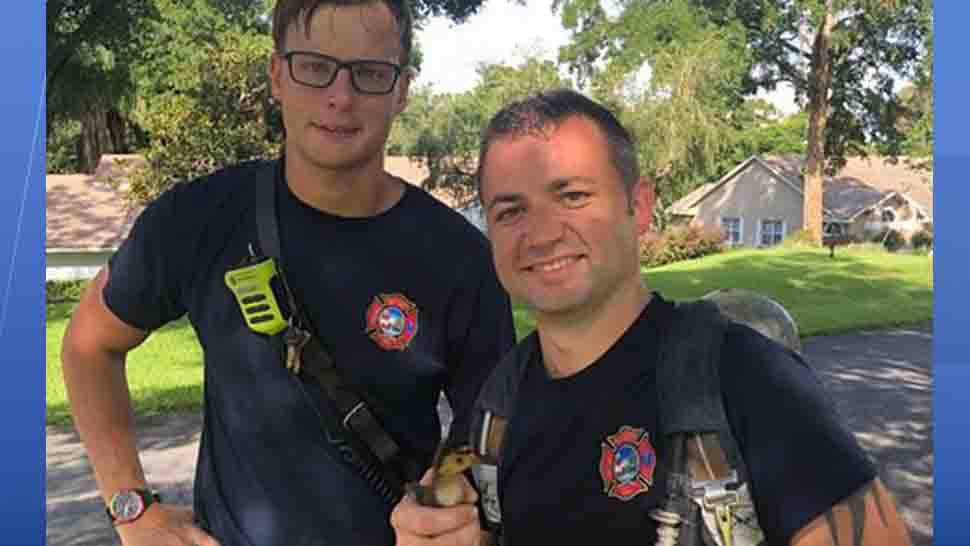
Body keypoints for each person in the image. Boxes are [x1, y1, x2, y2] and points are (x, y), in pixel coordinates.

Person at [59, 1, 515, 545]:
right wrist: (131, 509)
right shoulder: (198, 219)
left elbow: (490, 432)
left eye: (370, 73)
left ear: (402, 89)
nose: (339, 96)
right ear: (278, 75)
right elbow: (89, 346)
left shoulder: (459, 256)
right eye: (314, 65)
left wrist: (463, 518)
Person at [390, 89, 913, 546]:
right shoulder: (496, 403)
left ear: (638, 207)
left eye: (572, 196)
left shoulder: (744, 378)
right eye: (510, 211)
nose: (542, 233)